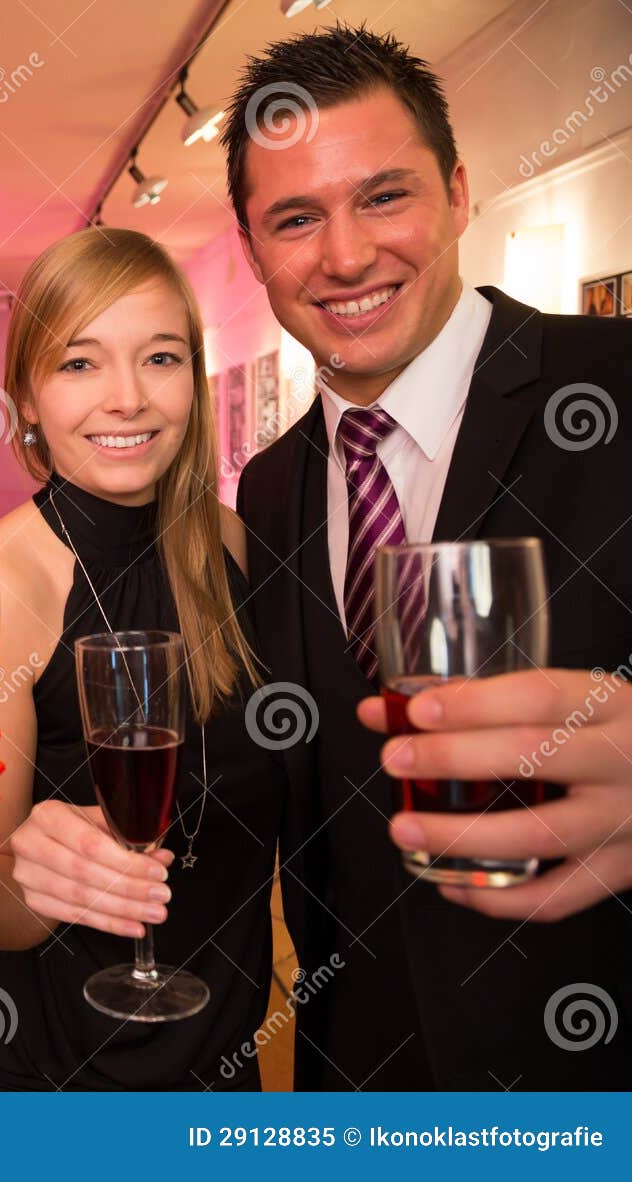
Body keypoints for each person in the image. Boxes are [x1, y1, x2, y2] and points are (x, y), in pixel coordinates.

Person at [227, 25, 632, 1088]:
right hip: (359, 1071)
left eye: (383, 196)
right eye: (295, 218)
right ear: (252, 249)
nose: (347, 256)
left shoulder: (617, 387)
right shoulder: (266, 491)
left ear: (457, 193)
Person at [0, 227, 283, 1090]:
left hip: (223, 1046)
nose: (125, 398)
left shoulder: (236, 549)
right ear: (26, 396)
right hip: (52, 1064)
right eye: (80, 364)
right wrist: (33, 868)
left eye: (159, 358)